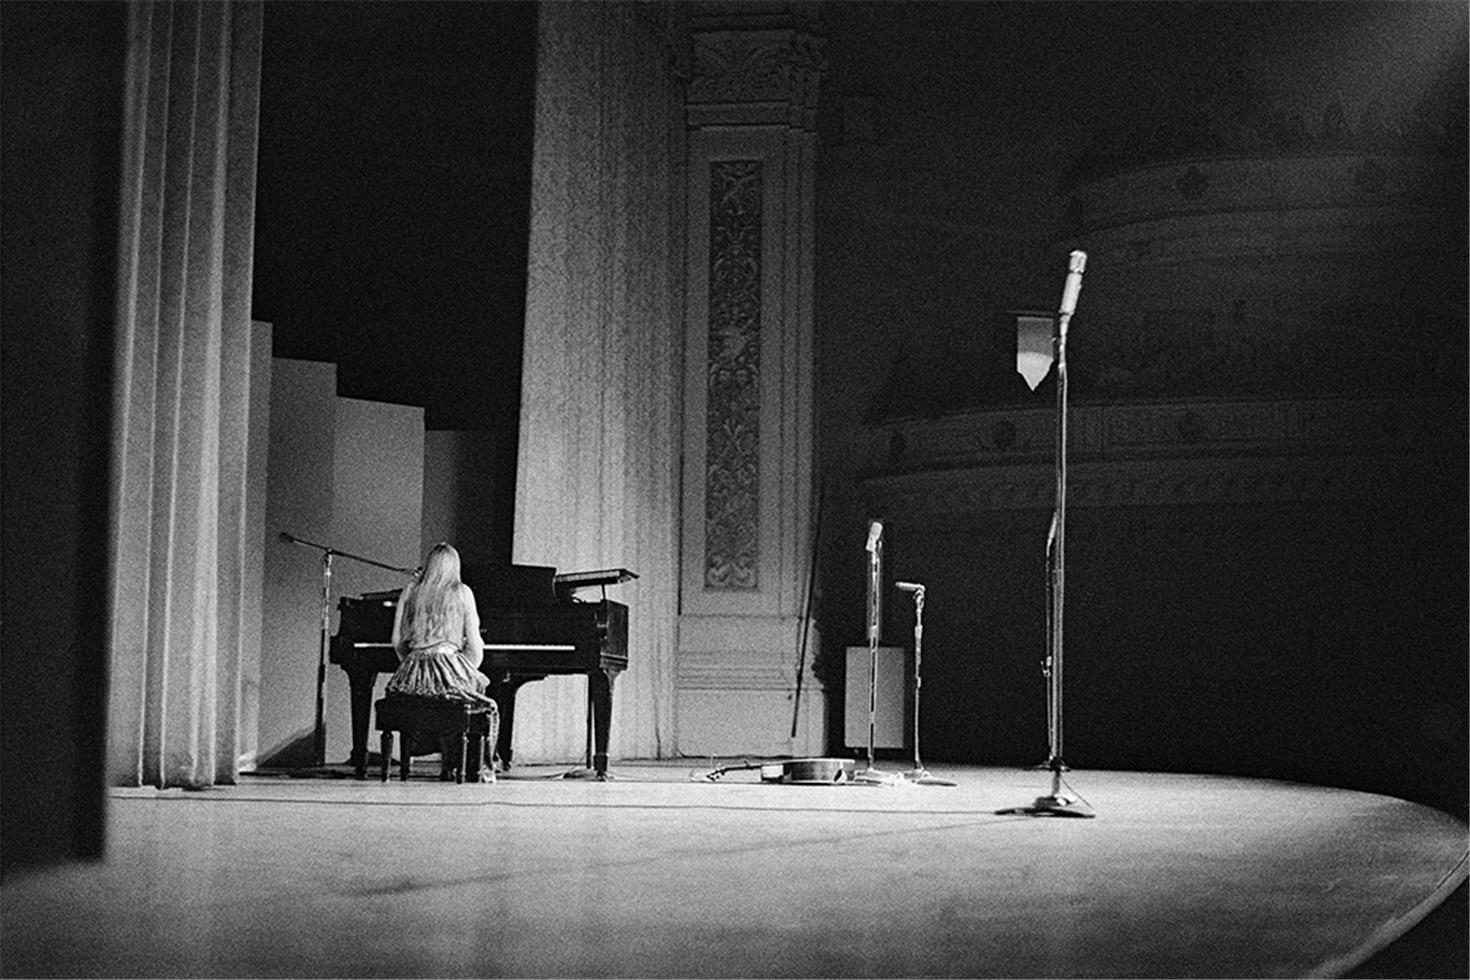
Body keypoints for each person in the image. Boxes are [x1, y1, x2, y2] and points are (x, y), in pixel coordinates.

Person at [386, 542, 498, 781]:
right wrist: (464, 671)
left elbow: (396, 640)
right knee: (486, 705)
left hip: (412, 670)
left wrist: (409, 665)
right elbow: (476, 646)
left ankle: (435, 757)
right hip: (447, 663)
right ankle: (474, 769)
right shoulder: (462, 592)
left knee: (433, 704)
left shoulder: (410, 591)